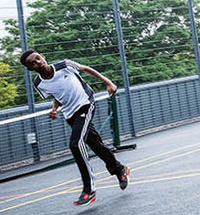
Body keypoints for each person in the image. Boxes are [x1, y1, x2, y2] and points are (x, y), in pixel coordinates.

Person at [21, 50, 130, 206]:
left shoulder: (65, 65)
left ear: (43, 56)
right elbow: (58, 94)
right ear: (30, 68)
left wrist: (108, 82)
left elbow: (85, 69)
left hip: (85, 104)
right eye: (33, 63)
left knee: (75, 144)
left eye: (38, 58)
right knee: (96, 145)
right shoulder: (39, 84)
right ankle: (119, 169)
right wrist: (54, 109)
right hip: (69, 113)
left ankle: (89, 188)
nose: (38, 62)